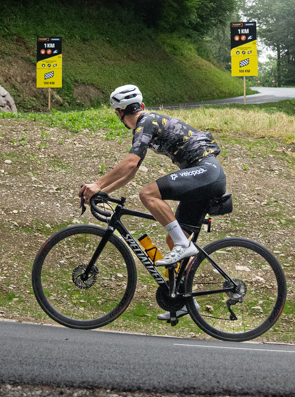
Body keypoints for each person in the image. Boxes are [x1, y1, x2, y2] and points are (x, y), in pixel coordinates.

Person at [78, 85, 228, 320]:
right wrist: (102, 191)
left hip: (206, 172)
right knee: (173, 238)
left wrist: (97, 184)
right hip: (205, 176)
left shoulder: (145, 122)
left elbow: (129, 163)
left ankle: (184, 246)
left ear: (120, 112)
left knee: (148, 194)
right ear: (140, 105)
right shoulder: (146, 124)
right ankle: (185, 302)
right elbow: (131, 172)